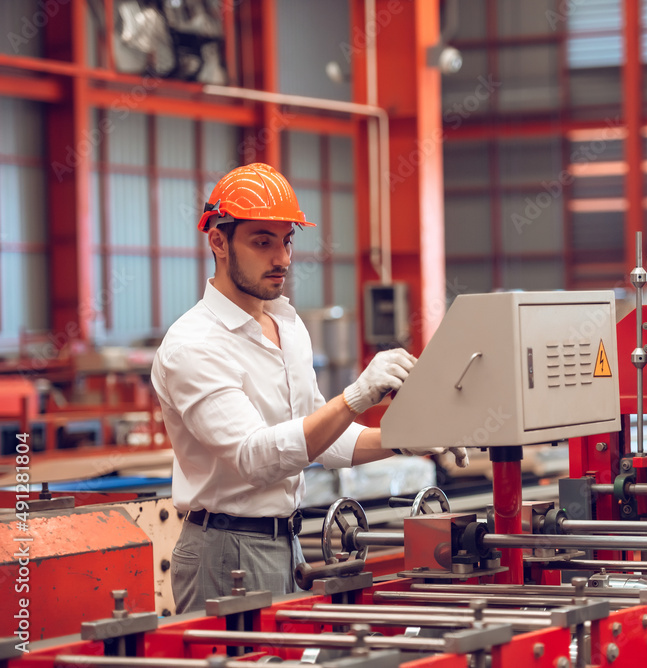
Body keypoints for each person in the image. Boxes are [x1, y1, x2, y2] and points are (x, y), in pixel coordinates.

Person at [152, 162, 467, 613]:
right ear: (218, 241)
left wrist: (405, 440)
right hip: (224, 553)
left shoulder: (287, 323)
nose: (282, 258)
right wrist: (355, 397)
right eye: (262, 241)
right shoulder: (194, 345)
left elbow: (318, 439)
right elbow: (255, 458)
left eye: (287, 241)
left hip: (289, 543)